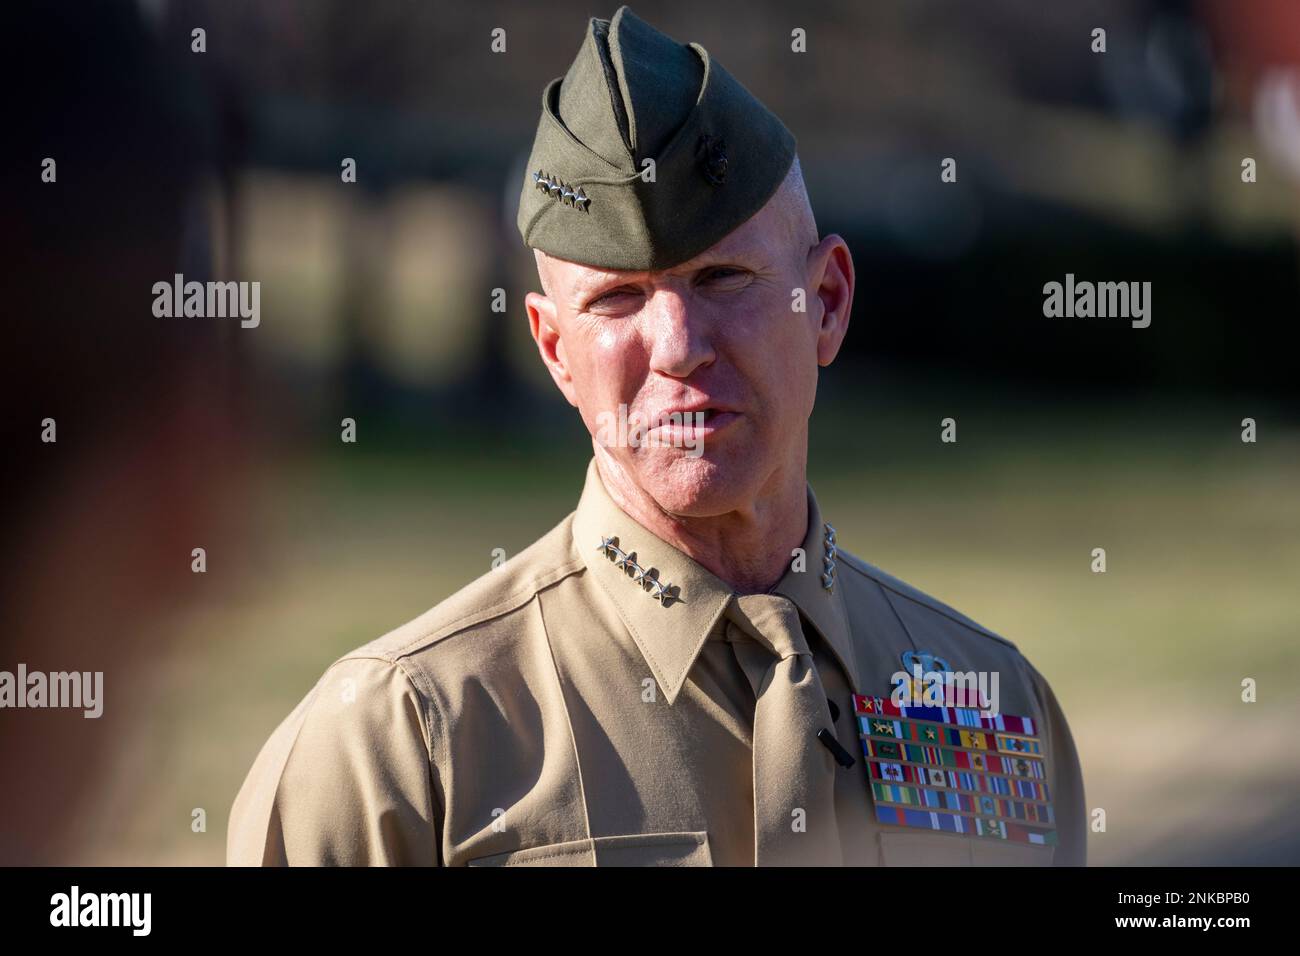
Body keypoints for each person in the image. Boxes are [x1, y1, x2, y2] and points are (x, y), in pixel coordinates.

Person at [228, 4, 1085, 867]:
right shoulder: (399, 748)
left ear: (825, 302)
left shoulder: (988, 705)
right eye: (616, 299)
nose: (678, 346)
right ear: (556, 350)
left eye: (724, 277)